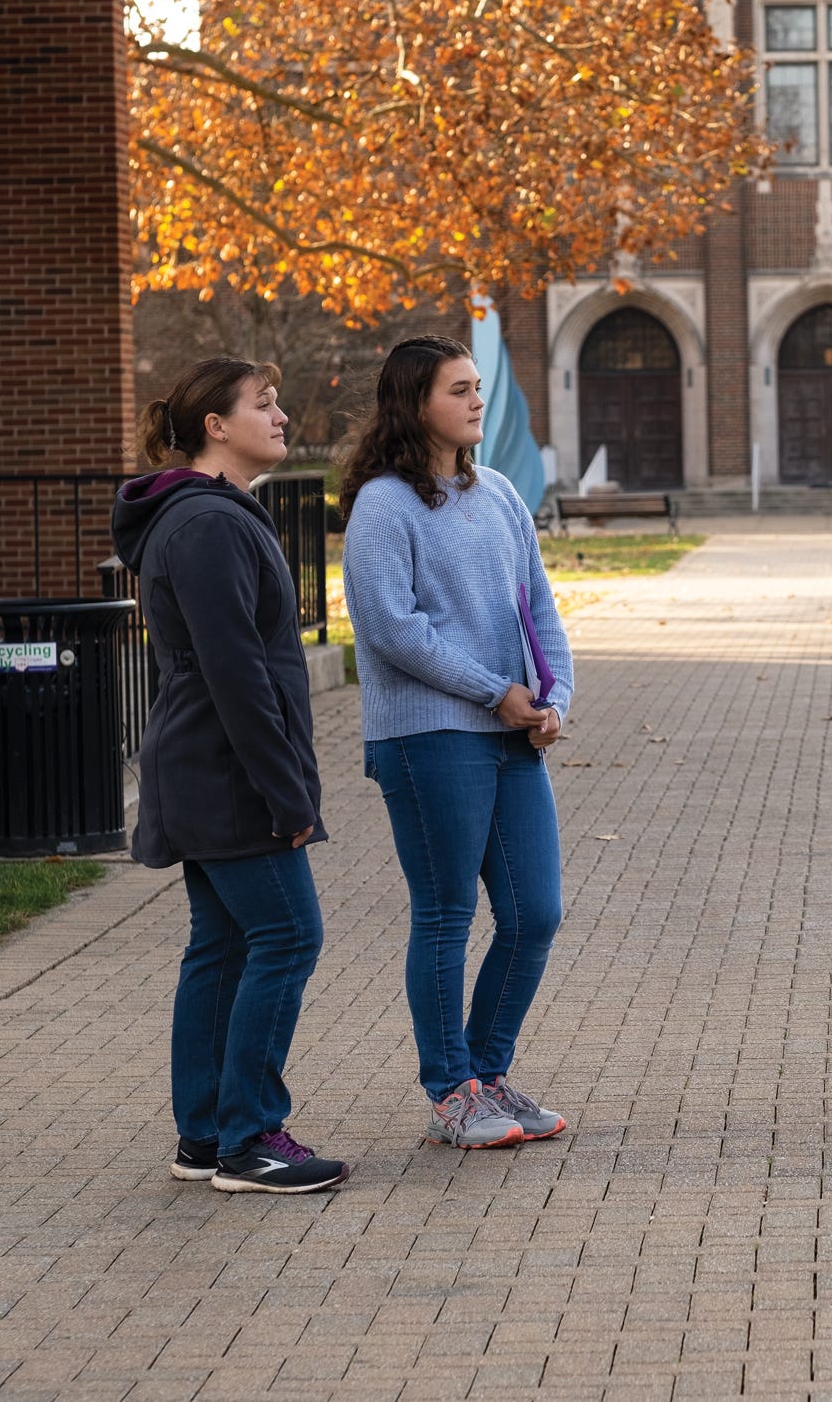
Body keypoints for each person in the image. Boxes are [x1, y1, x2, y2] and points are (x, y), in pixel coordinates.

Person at [112, 357, 347, 1194]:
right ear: (216, 425)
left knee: (224, 944)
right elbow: (236, 672)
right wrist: (288, 792)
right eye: (264, 403)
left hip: (208, 765)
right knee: (289, 935)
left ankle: (207, 1135)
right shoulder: (207, 524)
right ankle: (250, 1137)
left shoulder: (210, 514)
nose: (280, 416)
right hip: (226, 772)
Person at [340, 335, 573, 1150]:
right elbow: (390, 627)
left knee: (534, 910)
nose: (477, 401)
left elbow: (537, 605)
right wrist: (492, 690)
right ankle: (451, 1089)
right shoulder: (383, 505)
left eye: (478, 387)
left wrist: (554, 696)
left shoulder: (500, 491)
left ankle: (489, 1069)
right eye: (459, 389)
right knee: (446, 913)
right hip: (429, 733)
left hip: (513, 732)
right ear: (415, 404)